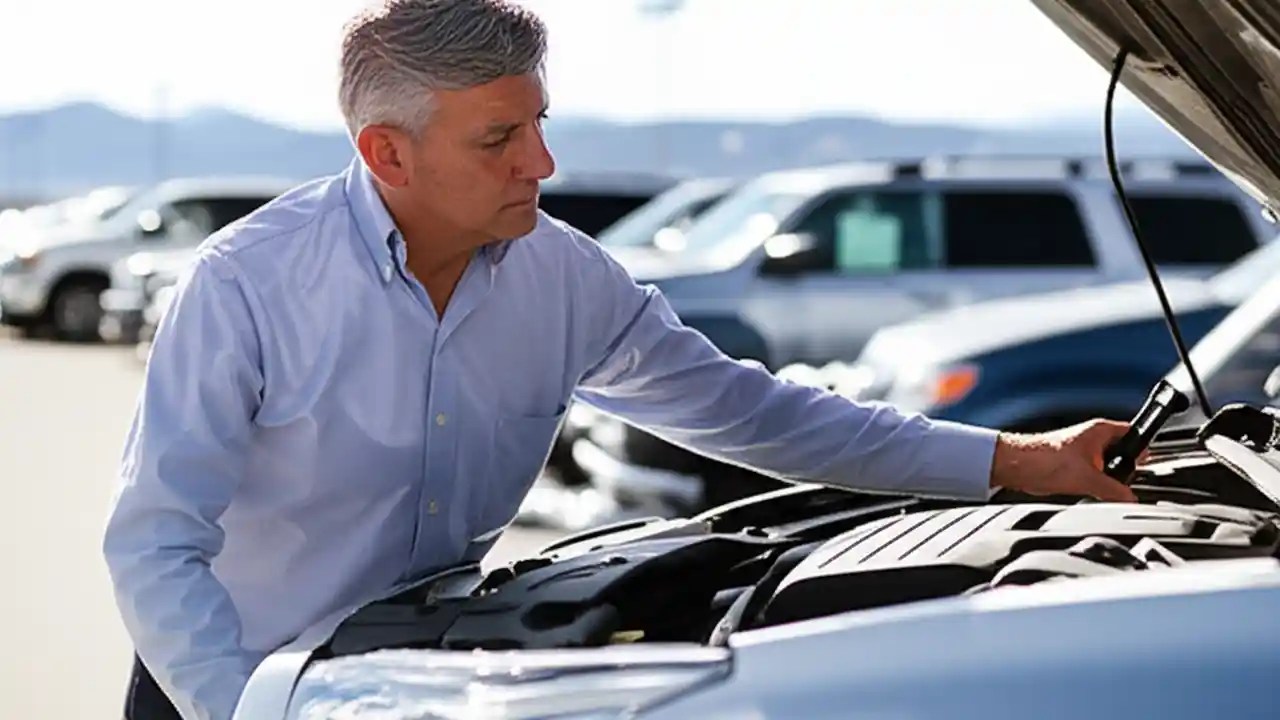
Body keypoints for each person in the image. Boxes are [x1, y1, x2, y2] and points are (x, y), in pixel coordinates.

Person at [102, 1, 1140, 718]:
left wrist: (1020, 461)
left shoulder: (566, 278)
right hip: (230, 688)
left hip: (429, 677)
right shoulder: (243, 286)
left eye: (539, 124)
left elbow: (758, 414)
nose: (541, 164)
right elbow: (154, 545)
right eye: (498, 138)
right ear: (386, 153)